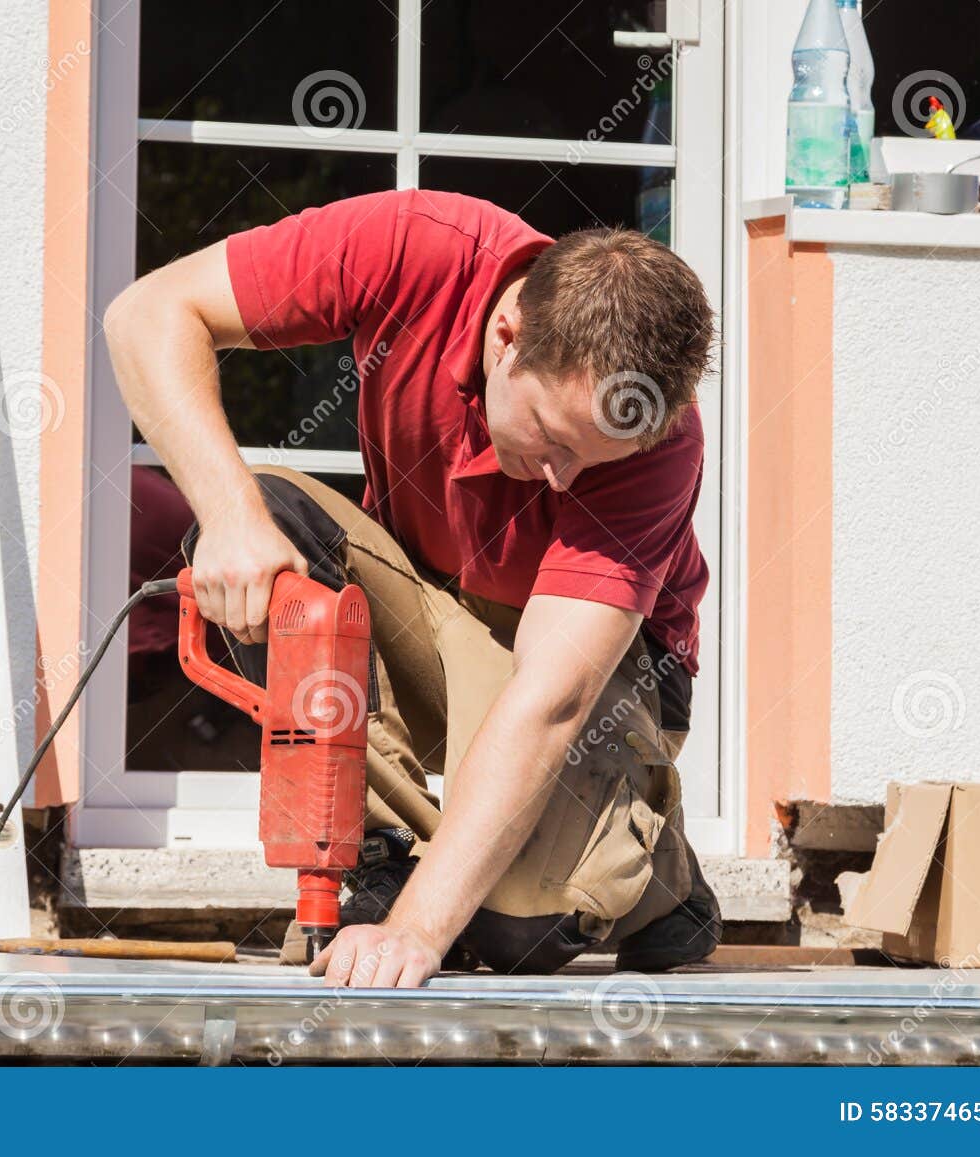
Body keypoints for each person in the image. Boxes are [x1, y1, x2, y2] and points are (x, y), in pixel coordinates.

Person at [104, 189, 716, 988]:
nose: (567, 478)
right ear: (508, 337)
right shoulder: (417, 246)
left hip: (593, 666)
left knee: (513, 929)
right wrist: (228, 516)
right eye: (557, 440)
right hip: (434, 607)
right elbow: (146, 313)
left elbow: (553, 698)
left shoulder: (656, 443)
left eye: (592, 461)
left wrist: (420, 933)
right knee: (271, 519)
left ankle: (654, 866)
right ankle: (383, 856)